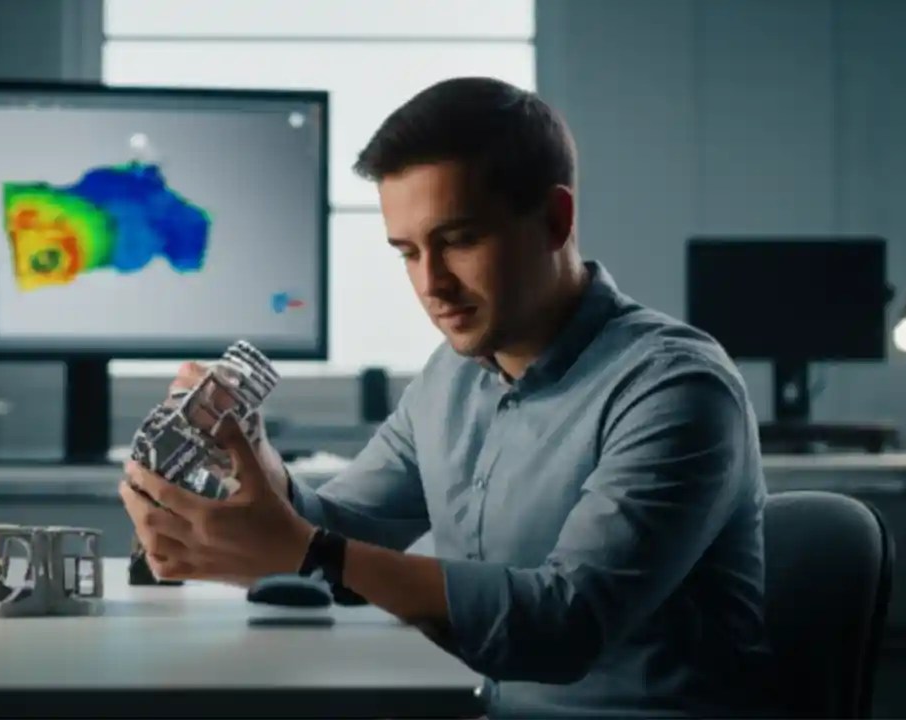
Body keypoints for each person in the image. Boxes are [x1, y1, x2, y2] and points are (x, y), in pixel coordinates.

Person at [120, 77, 775, 718]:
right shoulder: (450, 377)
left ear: (554, 219)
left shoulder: (676, 387)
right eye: (407, 252)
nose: (431, 284)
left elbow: (565, 625)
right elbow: (342, 527)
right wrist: (260, 469)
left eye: (459, 240)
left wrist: (305, 548)